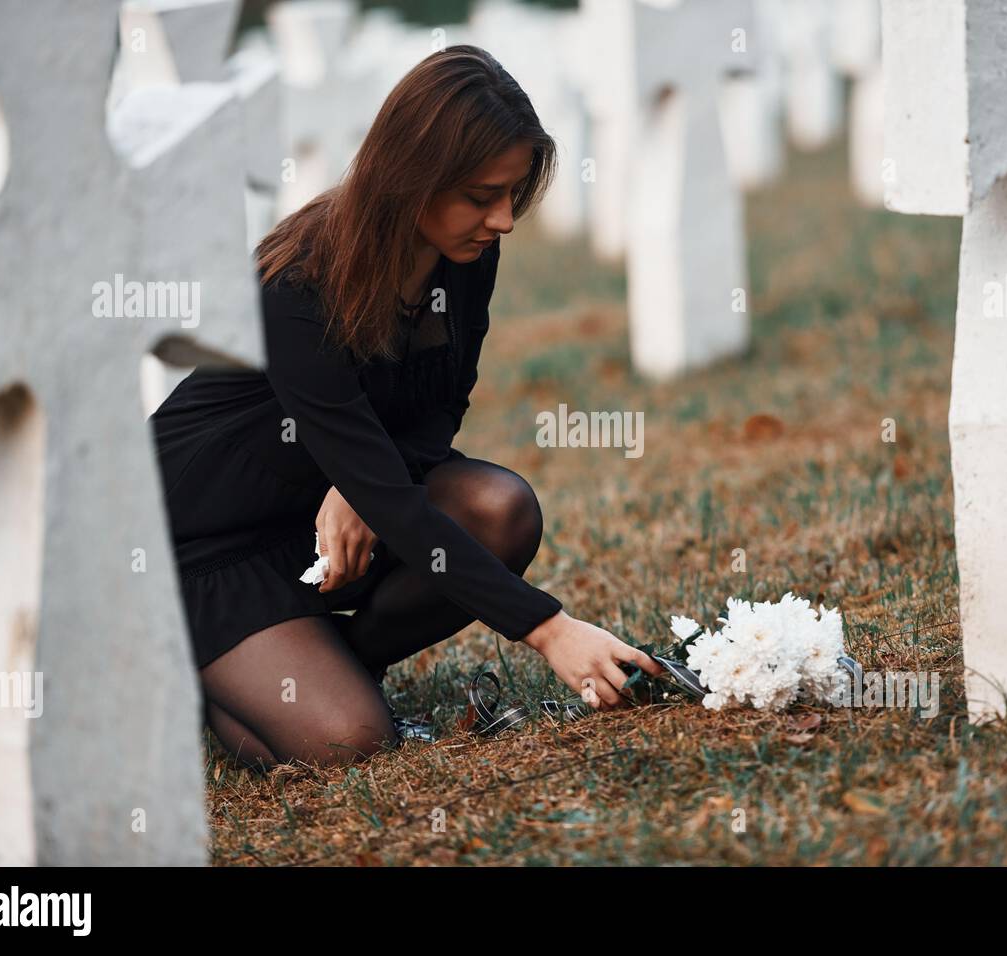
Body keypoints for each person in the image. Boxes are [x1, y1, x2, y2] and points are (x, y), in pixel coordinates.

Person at [148, 45, 663, 771]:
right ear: (411, 178)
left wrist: (357, 484)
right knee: (351, 742)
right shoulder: (298, 290)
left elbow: (438, 414)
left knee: (498, 509)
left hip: (312, 519)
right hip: (204, 547)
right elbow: (394, 498)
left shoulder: (465, 257)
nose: (504, 220)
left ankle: (331, 663)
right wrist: (550, 629)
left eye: (513, 194)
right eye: (483, 196)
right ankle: (211, 675)